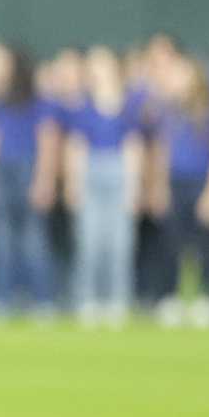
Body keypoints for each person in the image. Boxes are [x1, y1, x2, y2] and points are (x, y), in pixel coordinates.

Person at [62, 46, 144, 326]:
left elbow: (134, 146)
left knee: (119, 243)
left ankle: (118, 300)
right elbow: (76, 146)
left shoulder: (129, 105)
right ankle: (88, 299)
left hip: (118, 171)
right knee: (90, 241)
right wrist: (74, 182)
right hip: (91, 171)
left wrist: (134, 186)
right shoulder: (83, 106)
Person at [148, 54, 209, 327]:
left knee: (207, 244)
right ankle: (169, 297)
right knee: (171, 243)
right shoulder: (166, 111)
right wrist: (158, 186)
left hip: (202, 182)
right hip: (175, 183)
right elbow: (161, 150)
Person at [0, 45, 59, 315]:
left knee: (33, 239)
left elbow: (47, 142)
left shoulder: (38, 102)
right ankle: (0, 299)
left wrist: (44, 180)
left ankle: (41, 299)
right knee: (1, 238)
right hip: (2, 171)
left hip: (27, 169)